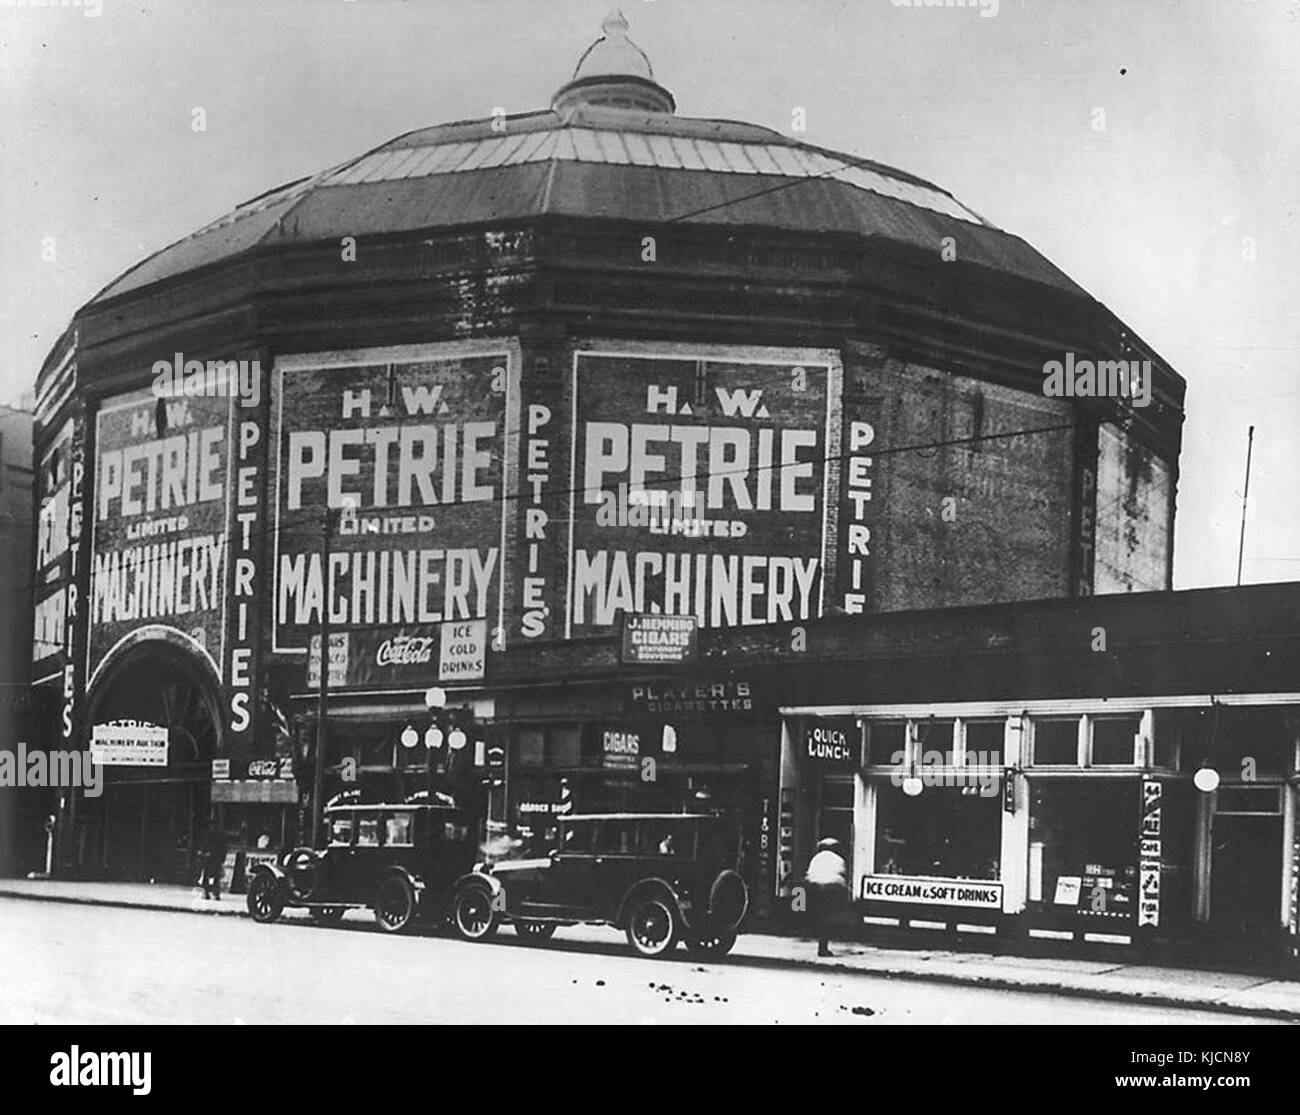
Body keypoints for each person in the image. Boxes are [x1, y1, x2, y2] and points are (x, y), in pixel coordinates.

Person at [803, 836, 848, 958]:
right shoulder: (839, 859)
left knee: (819, 917)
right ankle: (824, 946)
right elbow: (841, 877)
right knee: (828, 919)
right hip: (831, 890)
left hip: (815, 889)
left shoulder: (816, 858)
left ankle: (816, 937)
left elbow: (809, 875)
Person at [199, 821, 229, 901]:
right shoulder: (222, 834)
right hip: (217, 858)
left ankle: (206, 893)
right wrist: (223, 857)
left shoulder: (208, 833)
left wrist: (202, 852)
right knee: (216, 877)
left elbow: (205, 844)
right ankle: (216, 894)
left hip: (209, 858)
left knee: (206, 876)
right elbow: (224, 847)